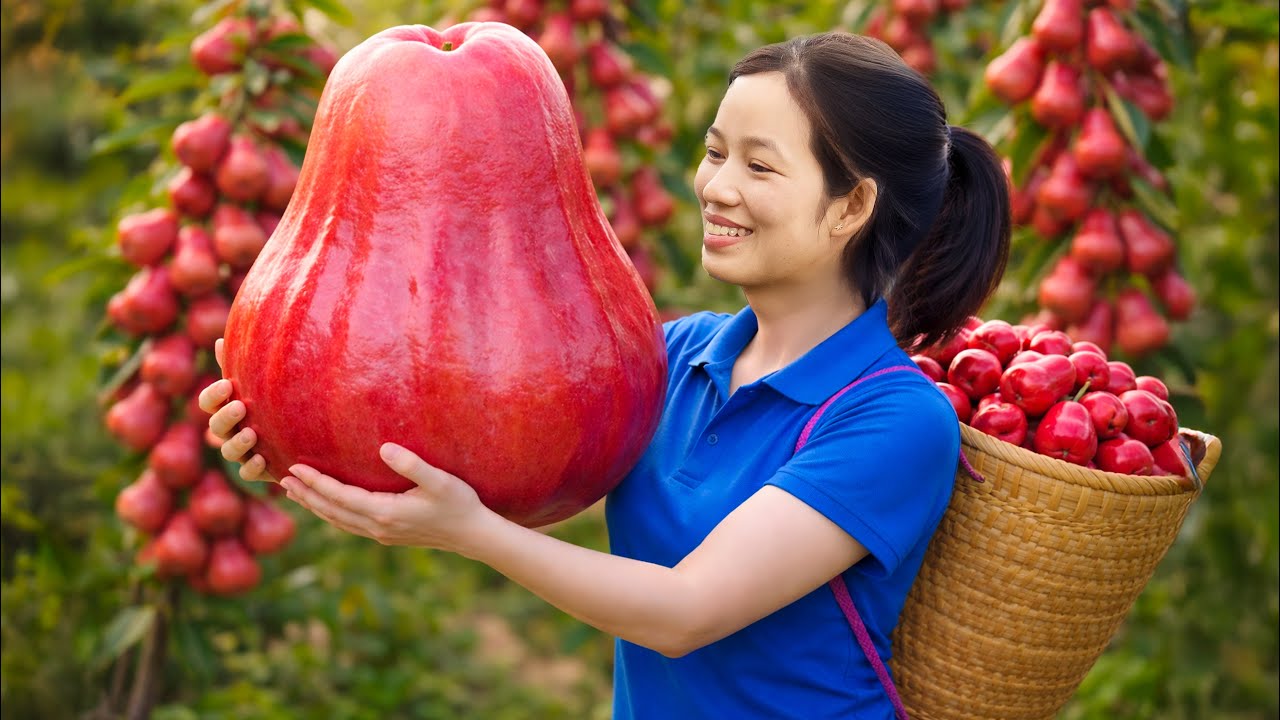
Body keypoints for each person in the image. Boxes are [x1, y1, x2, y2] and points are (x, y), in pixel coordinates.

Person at [200, 31, 1009, 720]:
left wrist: (473, 535)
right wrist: (299, 434)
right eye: (714, 151)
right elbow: (482, 458)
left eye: (759, 168)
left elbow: (687, 611)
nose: (715, 187)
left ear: (850, 206)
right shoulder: (669, 355)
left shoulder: (894, 421)